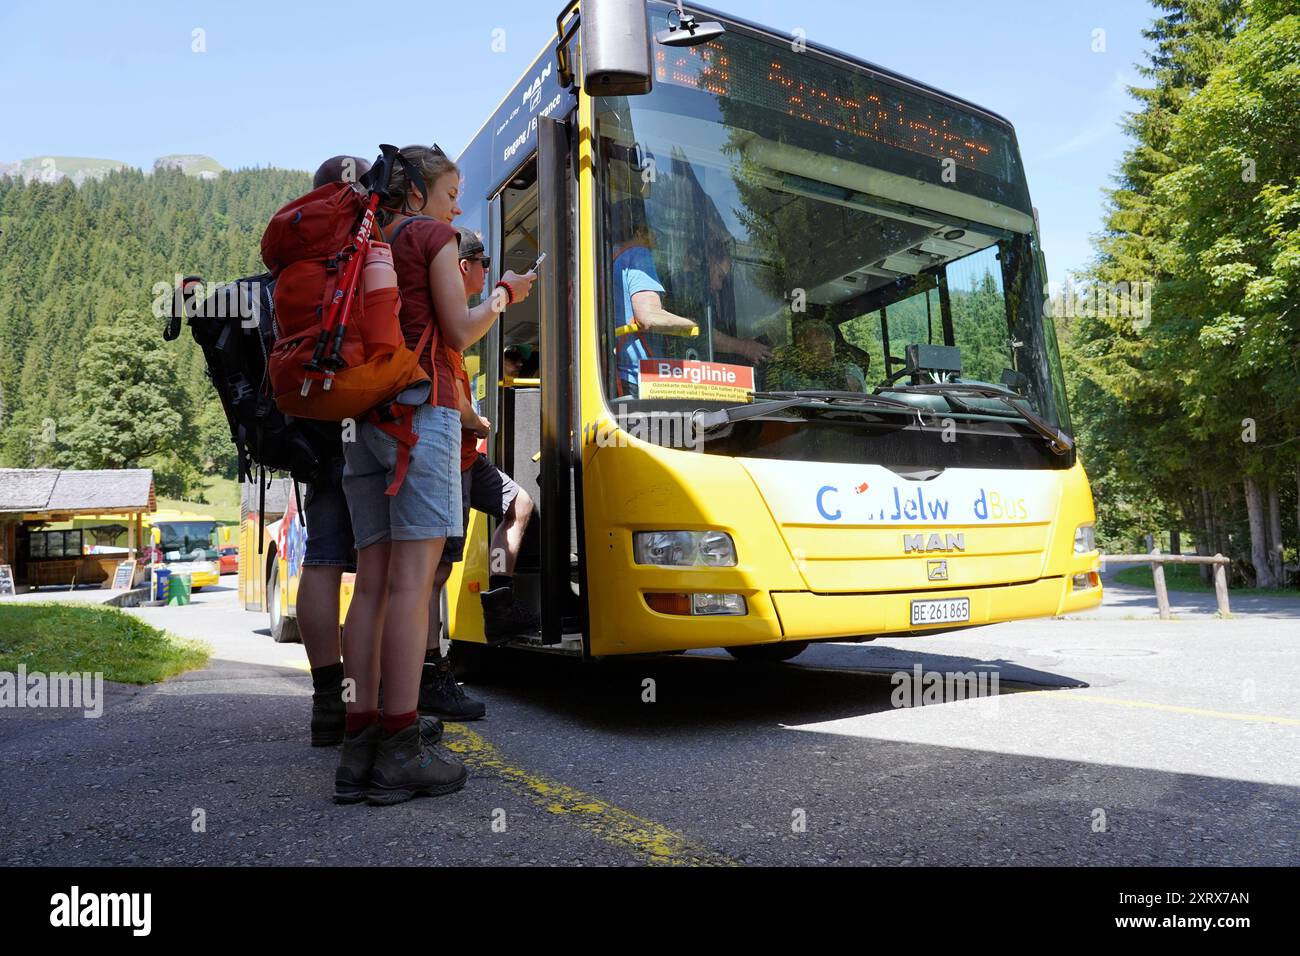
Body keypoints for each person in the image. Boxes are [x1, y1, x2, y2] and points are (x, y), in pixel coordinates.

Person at [333, 144, 535, 806]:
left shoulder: (367, 240)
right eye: (451, 194)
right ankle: (399, 749)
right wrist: (504, 294)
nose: (457, 208)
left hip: (363, 421)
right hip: (422, 417)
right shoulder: (430, 237)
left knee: (371, 586)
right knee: (412, 588)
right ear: (418, 191)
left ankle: (359, 745)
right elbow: (460, 328)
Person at [422, 230, 539, 714]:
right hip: (449, 462)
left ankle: (499, 601)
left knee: (519, 503)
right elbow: (450, 396)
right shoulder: (447, 321)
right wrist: (475, 419)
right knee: (436, 572)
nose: (487, 269)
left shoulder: (463, 319)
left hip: (468, 458)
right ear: (463, 266)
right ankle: (431, 671)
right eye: (483, 261)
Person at [297, 155, 370, 749]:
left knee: (321, 561)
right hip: (366, 426)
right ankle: (369, 704)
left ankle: (327, 703)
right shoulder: (363, 246)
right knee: (379, 569)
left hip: (311, 435)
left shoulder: (293, 253)